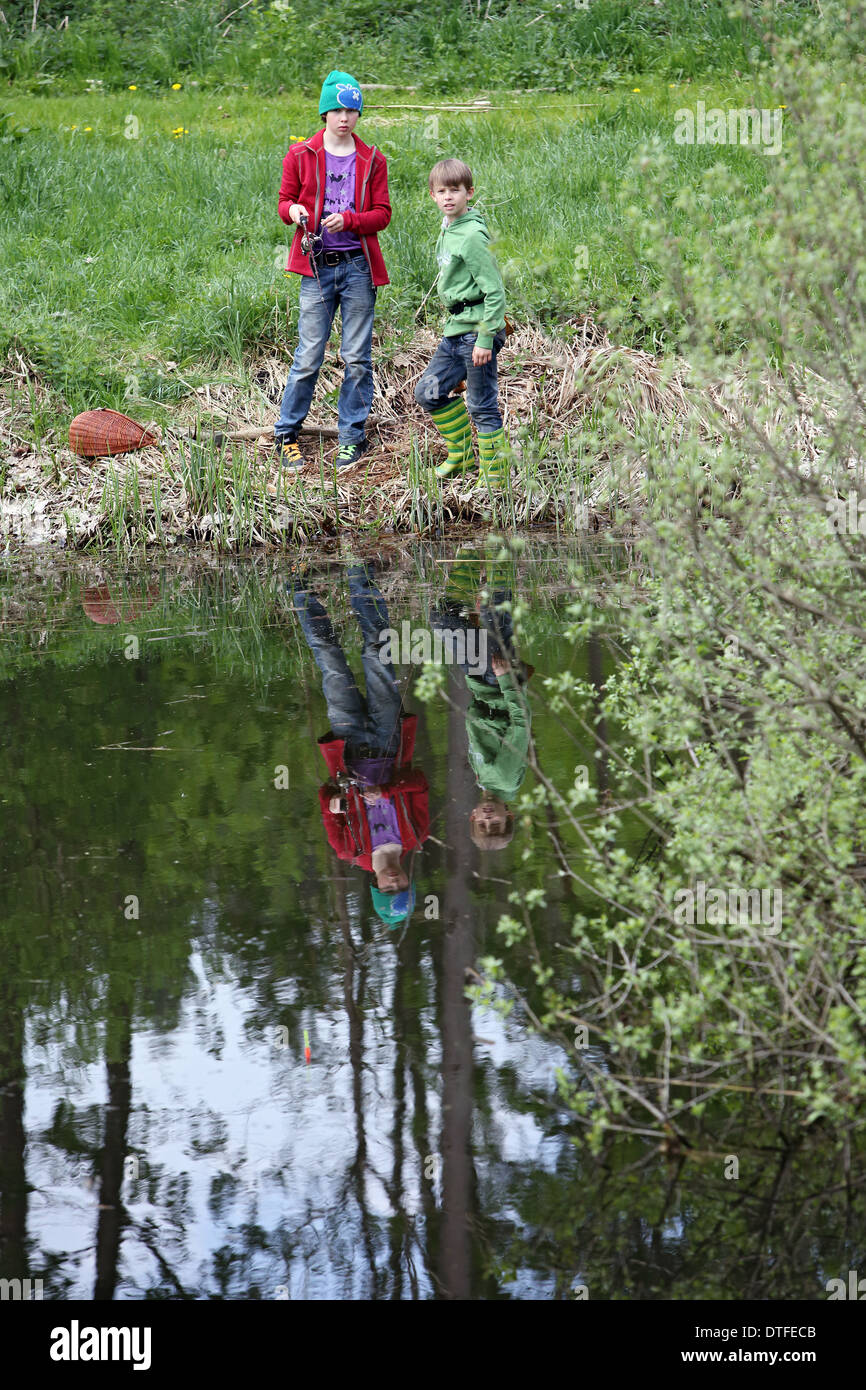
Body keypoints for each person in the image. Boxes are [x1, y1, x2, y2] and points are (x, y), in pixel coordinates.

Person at [290, 561, 429, 928]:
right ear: (409, 883)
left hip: (348, 744)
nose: (394, 883)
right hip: (387, 741)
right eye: (401, 888)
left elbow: (325, 800)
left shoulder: (348, 850)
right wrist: (387, 789)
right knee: (377, 652)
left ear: (376, 887)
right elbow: (420, 783)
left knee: (331, 661)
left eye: (388, 890)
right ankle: (358, 573)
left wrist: (336, 802)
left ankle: (298, 586)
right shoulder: (416, 835)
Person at [274, 70, 391, 470]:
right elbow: (284, 203)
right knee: (309, 354)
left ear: (359, 113)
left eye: (351, 109)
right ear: (324, 113)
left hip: (358, 267)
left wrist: (352, 221)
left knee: (357, 357)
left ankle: (351, 439)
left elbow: (382, 215)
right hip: (317, 269)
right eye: (337, 109)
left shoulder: (372, 159)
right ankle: (286, 435)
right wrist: (294, 211)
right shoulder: (300, 154)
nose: (344, 117)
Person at [414, 158, 509, 485]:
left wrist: (485, 339)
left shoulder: (471, 236)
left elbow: (495, 291)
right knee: (428, 391)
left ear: (470, 193)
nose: (448, 197)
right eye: (442, 191)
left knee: (482, 405)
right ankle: (462, 458)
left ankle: (495, 479)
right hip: (455, 330)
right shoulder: (448, 228)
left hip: (477, 331)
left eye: (455, 190)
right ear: (432, 196)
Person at [430, 546, 532, 850]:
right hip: (495, 682)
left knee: (490, 618)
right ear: (509, 814)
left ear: (473, 816)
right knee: (446, 619)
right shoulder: (505, 779)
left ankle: (480, 550)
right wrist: (508, 682)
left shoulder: (485, 781)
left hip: (482, 685)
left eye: (483, 825)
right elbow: (520, 724)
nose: (489, 818)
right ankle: (486, 549)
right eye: (497, 823)